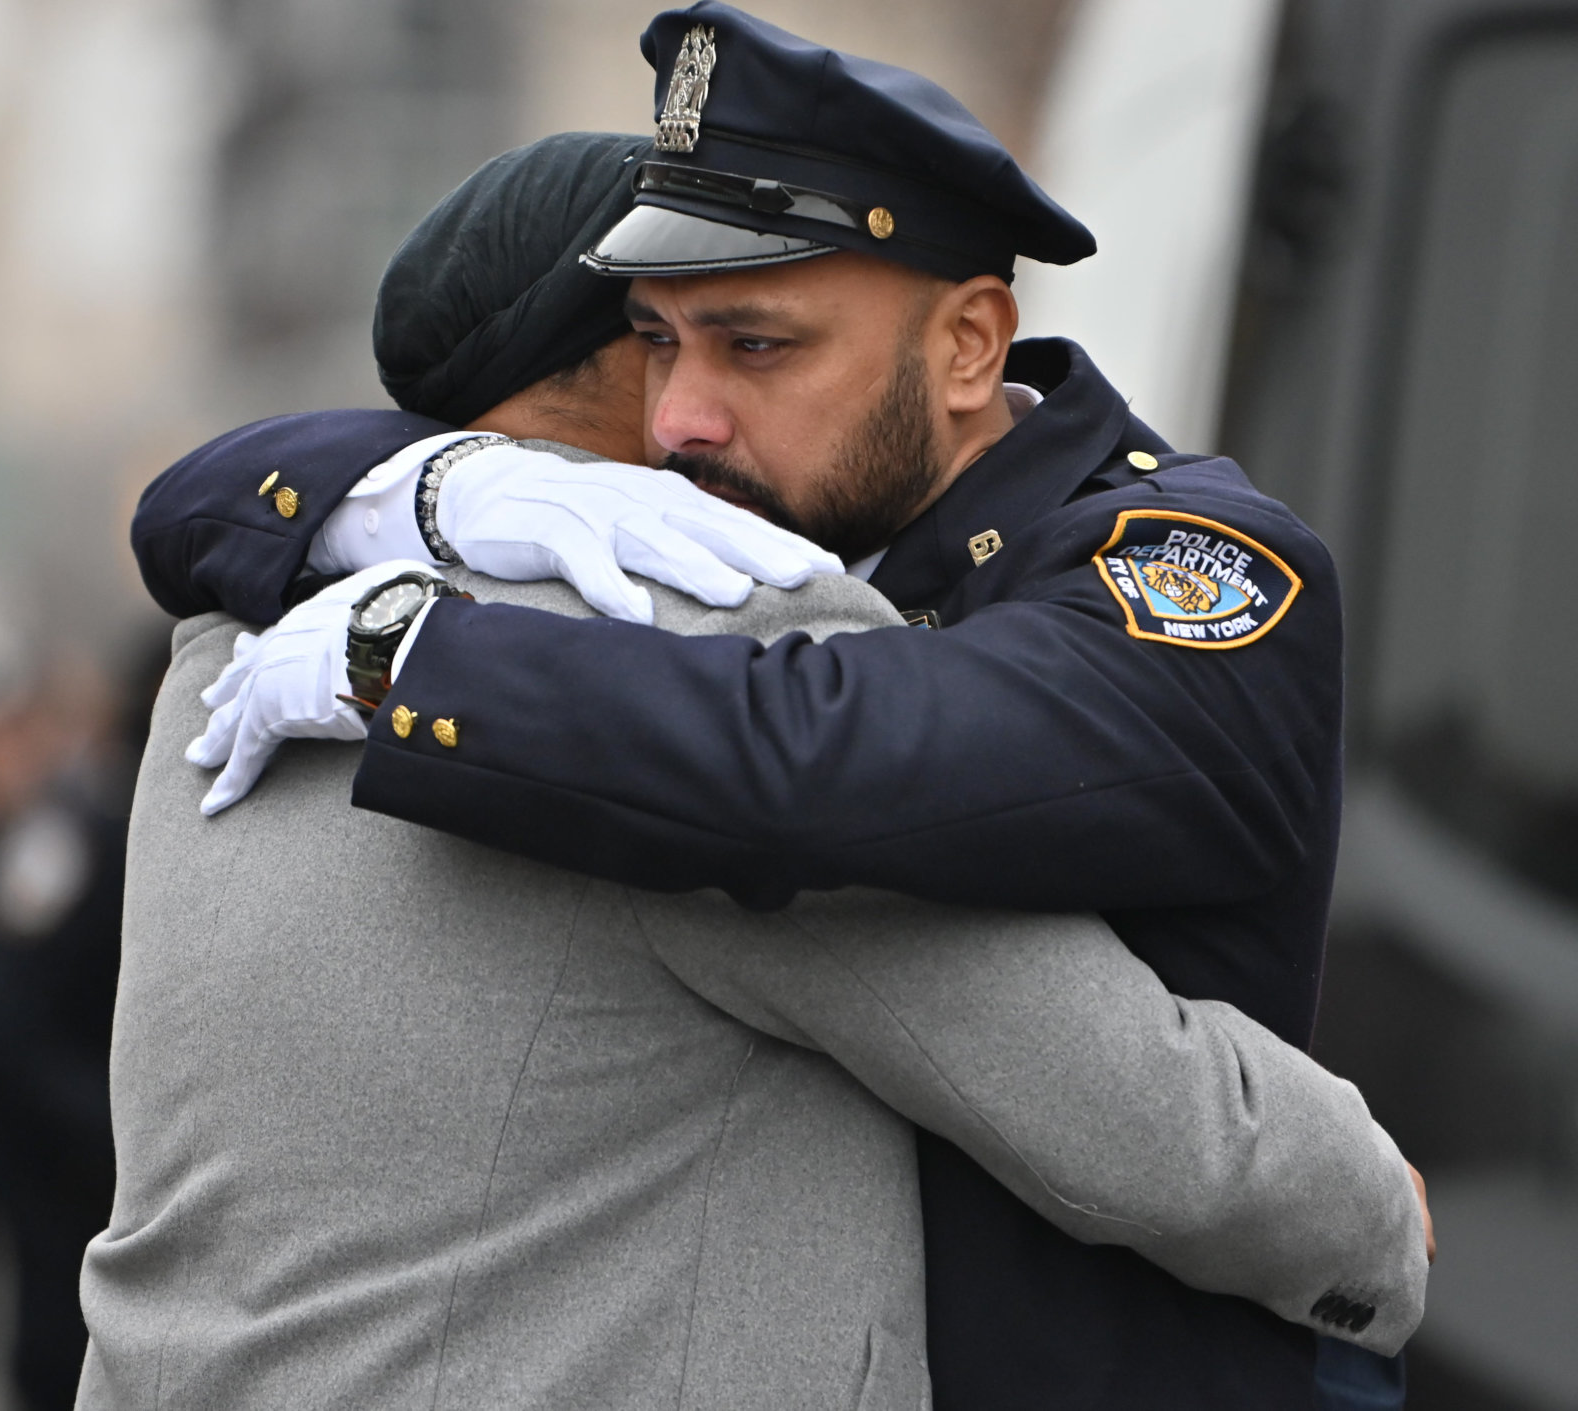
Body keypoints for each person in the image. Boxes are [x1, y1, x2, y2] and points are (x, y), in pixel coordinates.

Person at [129, 11, 1426, 1407]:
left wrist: (413, 658)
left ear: (974, 347)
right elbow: (202, 508)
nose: (680, 417)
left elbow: (814, 753)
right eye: (655, 342)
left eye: (754, 346)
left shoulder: (1189, 569)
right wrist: (412, 488)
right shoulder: (751, 534)